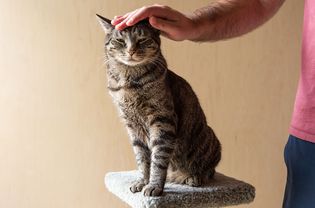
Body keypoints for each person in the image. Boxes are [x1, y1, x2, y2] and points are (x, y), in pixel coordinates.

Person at [111, 1, 315, 207]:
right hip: (309, 130)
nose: (130, 50)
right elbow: (260, 3)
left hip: (192, 157)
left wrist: (157, 181)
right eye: (121, 43)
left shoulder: (159, 78)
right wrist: (193, 24)